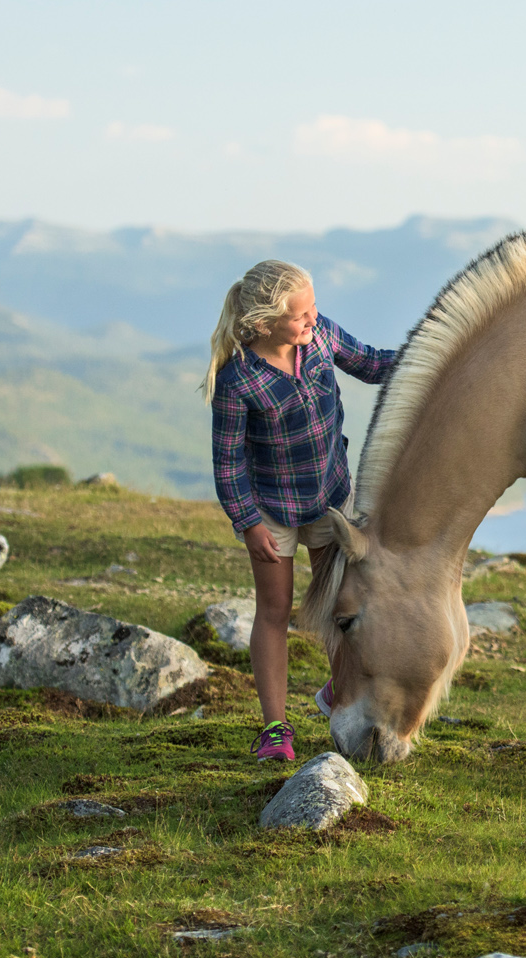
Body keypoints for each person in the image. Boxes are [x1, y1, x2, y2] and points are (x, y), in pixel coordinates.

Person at [204, 260, 396, 762]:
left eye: (313, 309)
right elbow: (228, 463)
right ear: (263, 324)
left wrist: (433, 357)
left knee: (340, 606)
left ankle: (339, 696)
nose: (312, 320)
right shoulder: (239, 380)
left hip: (331, 500)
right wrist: (247, 523)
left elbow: (373, 364)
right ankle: (275, 730)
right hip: (271, 511)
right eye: (301, 315)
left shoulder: (322, 339)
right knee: (274, 611)